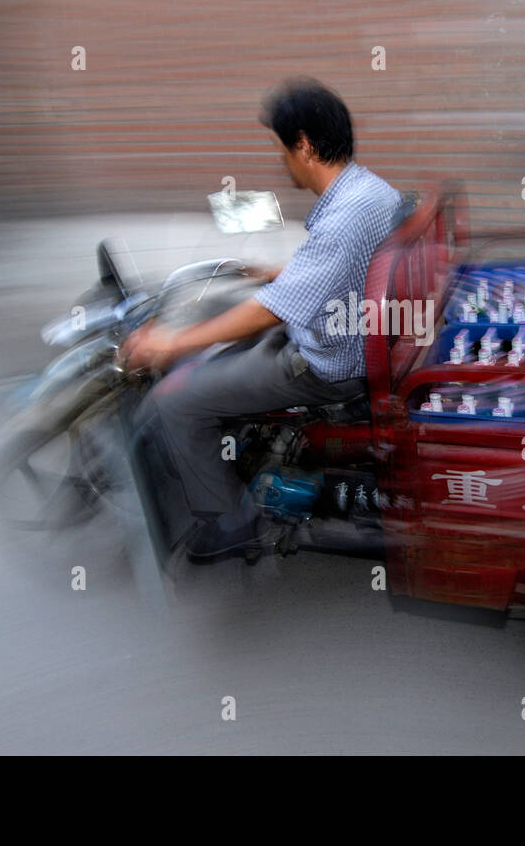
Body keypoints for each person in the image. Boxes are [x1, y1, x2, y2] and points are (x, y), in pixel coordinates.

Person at [120, 78, 405, 557]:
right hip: (357, 334)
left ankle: (231, 525)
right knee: (219, 323)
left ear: (305, 146)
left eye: (282, 148)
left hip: (324, 366)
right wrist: (282, 271)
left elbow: (271, 310)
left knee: (176, 399)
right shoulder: (372, 191)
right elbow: (352, 264)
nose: (281, 160)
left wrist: (168, 345)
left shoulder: (341, 219)